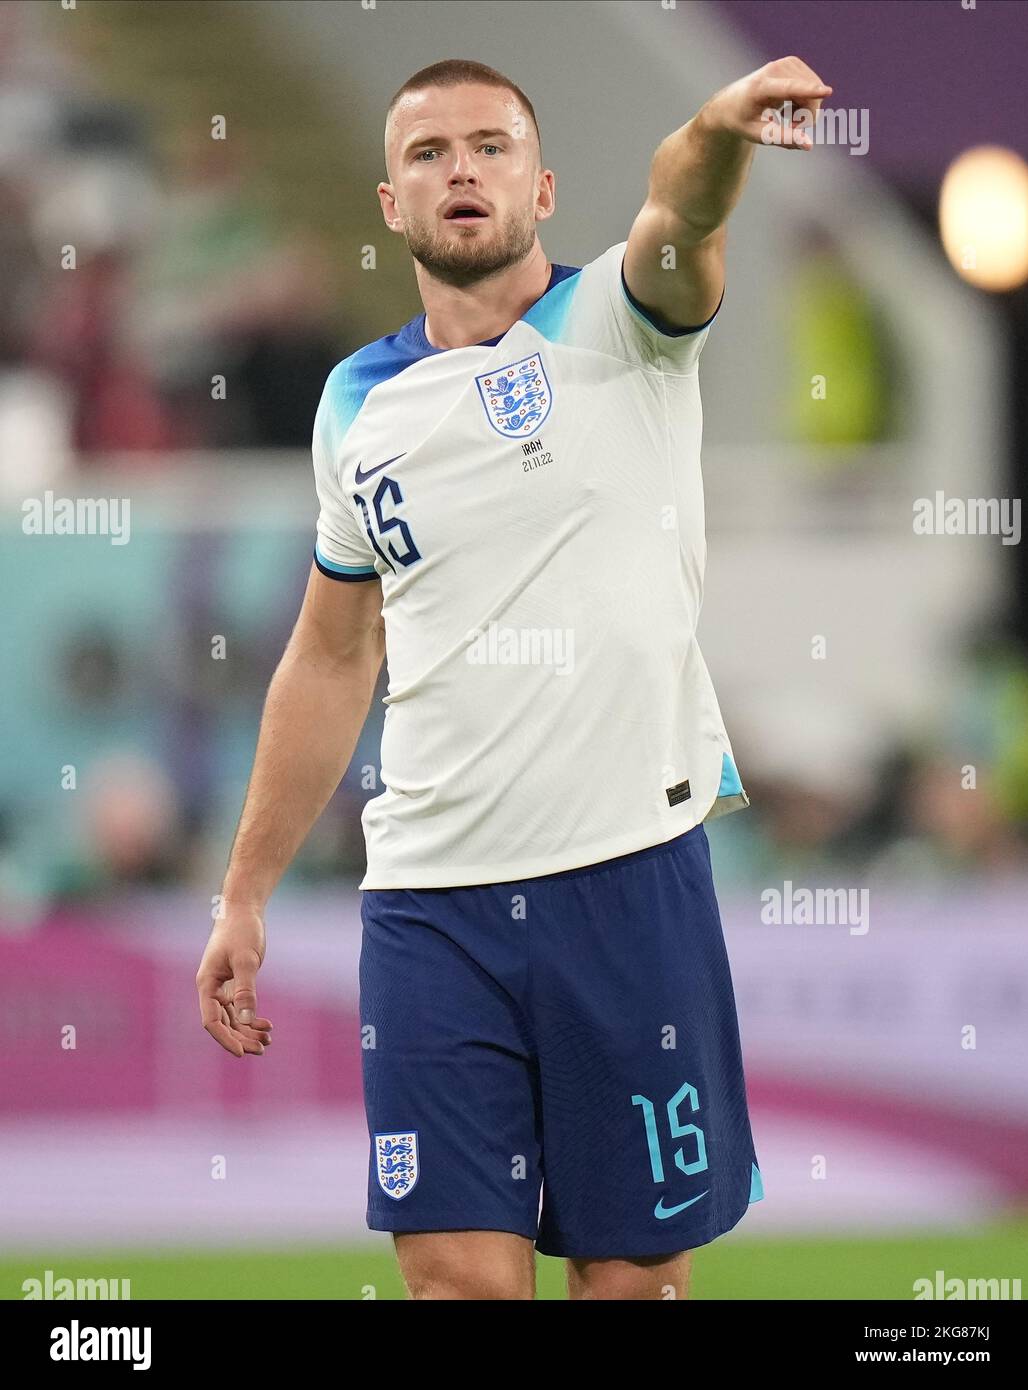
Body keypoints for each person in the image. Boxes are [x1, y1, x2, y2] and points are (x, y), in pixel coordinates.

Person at [196, 55, 831, 1300]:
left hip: (626, 879)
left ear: (540, 186)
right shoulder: (353, 405)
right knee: (455, 1284)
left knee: (631, 1283)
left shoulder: (626, 320)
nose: (461, 170)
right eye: (428, 154)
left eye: (488, 146)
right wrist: (243, 891)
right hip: (433, 900)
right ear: (392, 204)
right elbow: (331, 655)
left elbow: (684, 210)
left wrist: (715, 129)